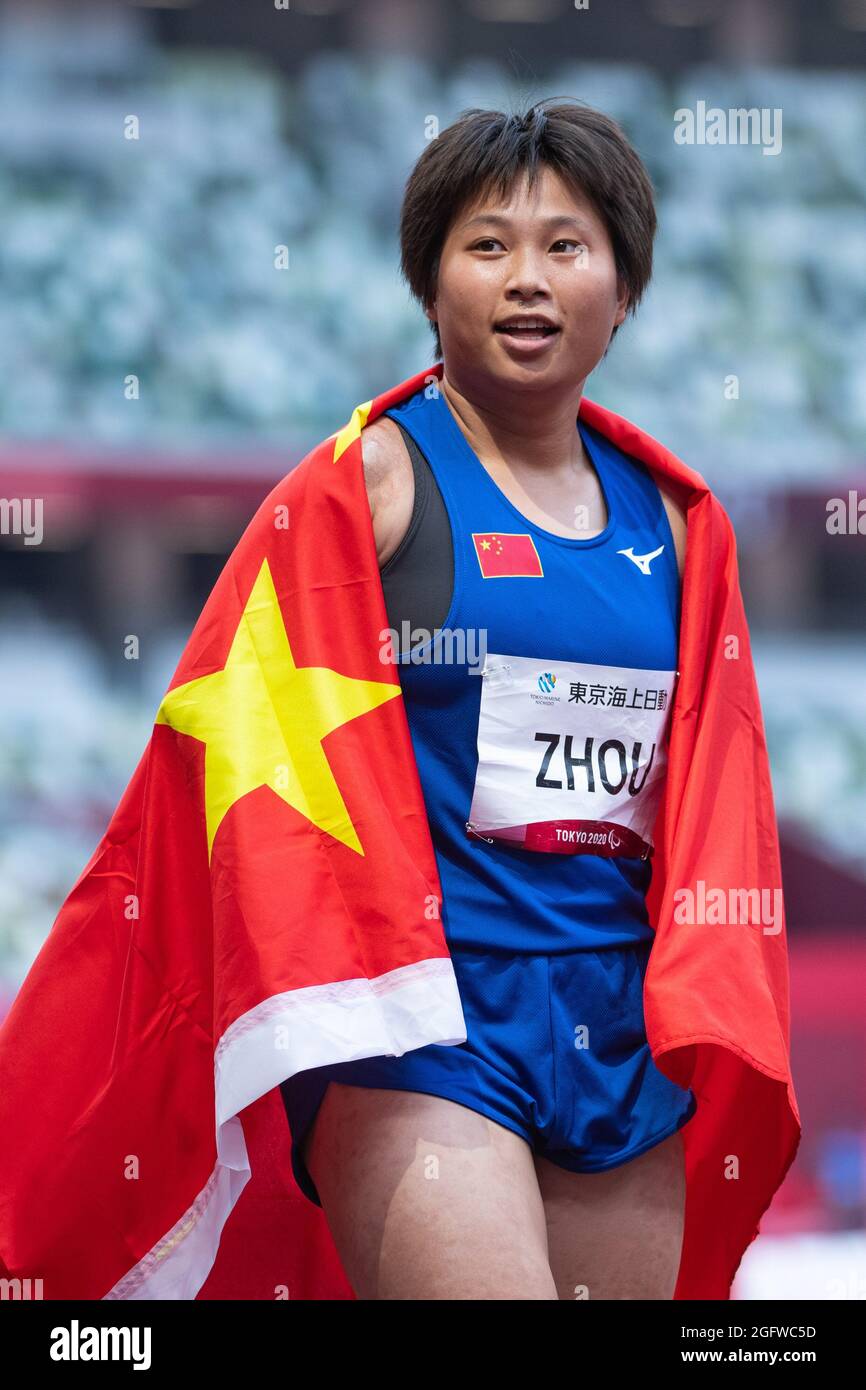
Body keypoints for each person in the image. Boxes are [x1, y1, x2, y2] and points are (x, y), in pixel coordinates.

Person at [280, 98, 700, 1300]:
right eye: (485, 245)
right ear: (427, 283)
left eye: (564, 247)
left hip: (619, 1025)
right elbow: (244, 718)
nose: (526, 279)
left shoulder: (674, 522)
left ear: (621, 290)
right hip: (424, 1018)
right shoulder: (370, 481)